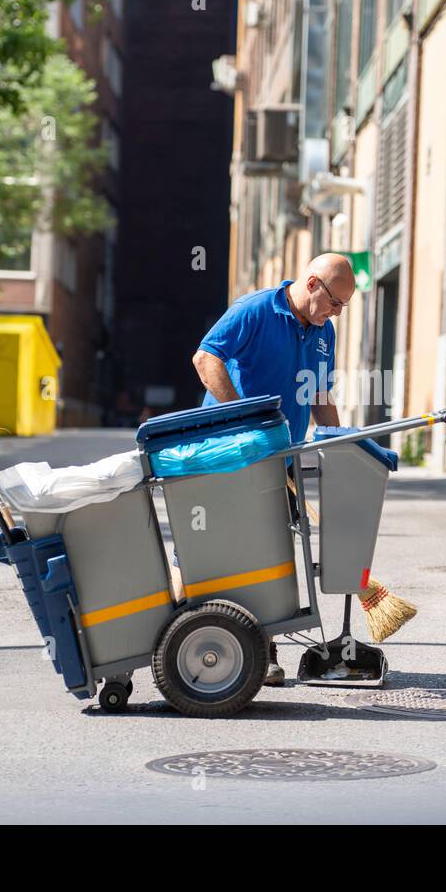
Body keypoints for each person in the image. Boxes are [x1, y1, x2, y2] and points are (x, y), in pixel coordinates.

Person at [191, 253, 355, 685]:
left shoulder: (324, 332)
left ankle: (263, 648)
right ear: (313, 284)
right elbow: (206, 359)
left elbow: (320, 392)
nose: (337, 313)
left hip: (280, 461)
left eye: (343, 307)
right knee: (218, 551)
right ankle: (194, 637)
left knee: (271, 555)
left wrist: (339, 443)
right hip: (231, 455)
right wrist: (242, 420)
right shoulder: (256, 310)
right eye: (335, 303)